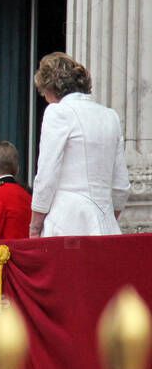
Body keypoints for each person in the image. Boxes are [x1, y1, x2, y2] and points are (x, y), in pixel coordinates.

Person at [30, 52, 129, 237]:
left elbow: (47, 173)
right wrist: (107, 217)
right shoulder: (110, 116)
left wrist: (35, 225)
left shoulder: (57, 112)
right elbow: (121, 185)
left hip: (66, 221)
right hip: (106, 224)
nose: (45, 98)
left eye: (44, 93)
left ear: (50, 88)